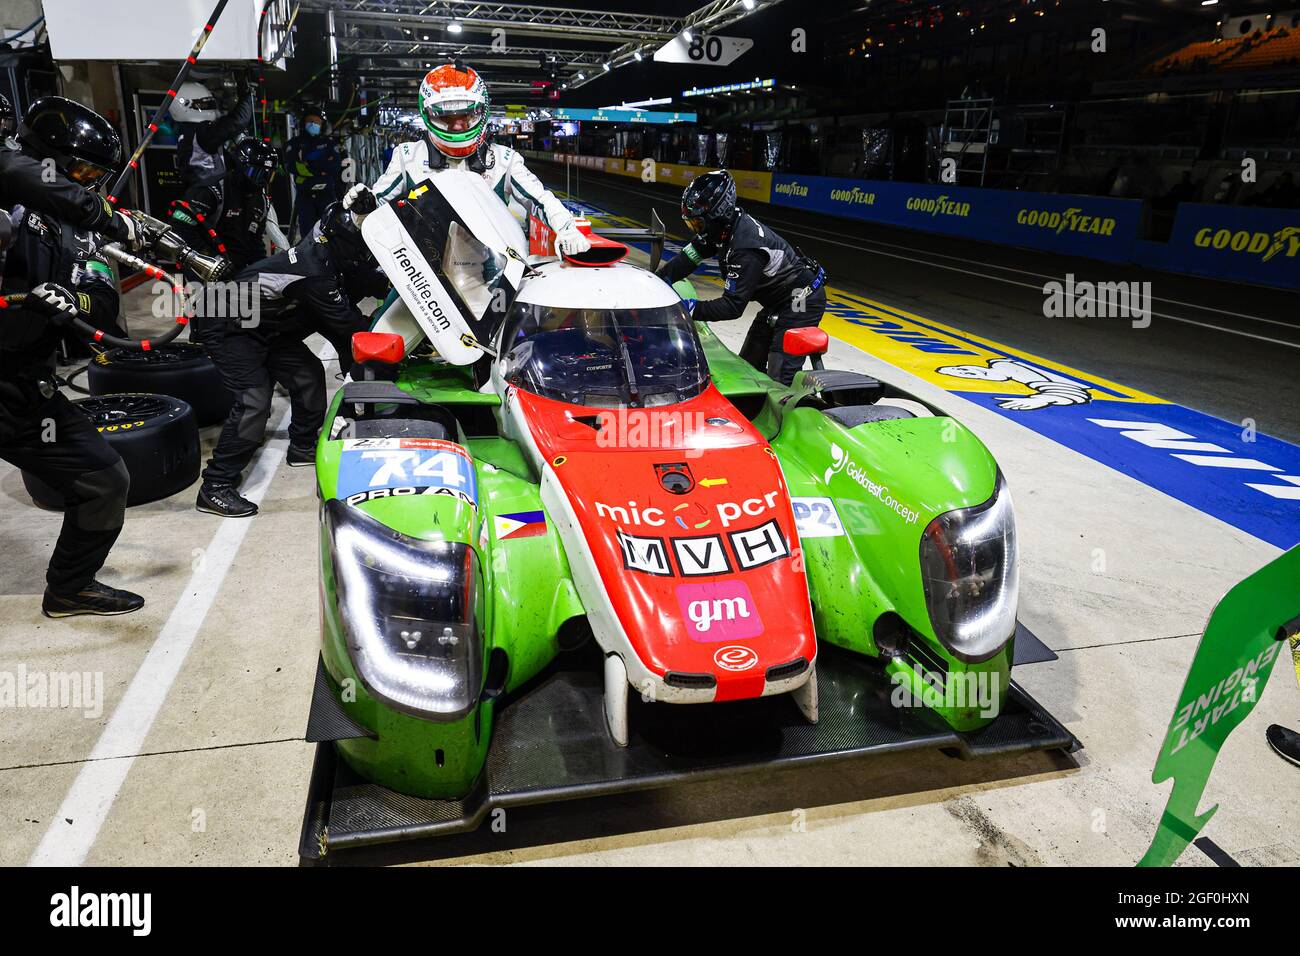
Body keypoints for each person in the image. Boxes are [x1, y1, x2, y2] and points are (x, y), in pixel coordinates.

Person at [0, 97, 143, 617]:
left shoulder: (74, 228)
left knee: (103, 479)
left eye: (94, 175)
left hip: (20, 392)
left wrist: (73, 301)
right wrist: (102, 212)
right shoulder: (11, 184)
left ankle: (69, 588)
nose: (87, 182)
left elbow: (102, 305)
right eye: (79, 170)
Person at [196, 201, 386, 518]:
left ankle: (302, 445)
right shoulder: (315, 274)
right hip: (226, 322)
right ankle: (215, 486)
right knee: (254, 400)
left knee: (308, 375)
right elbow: (350, 331)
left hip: (266, 325)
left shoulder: (330, 256)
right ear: (347, 242)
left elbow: (372, 281)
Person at [363, 63, 590, 259]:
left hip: (493, 268)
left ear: (481, 110)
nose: (458, 126)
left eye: (466, 115)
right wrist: (361, 207)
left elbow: (540, 199)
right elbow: (376, 208)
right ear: (428, 114)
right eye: (446, 117)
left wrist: (566, 227)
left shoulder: (504, 159)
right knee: (388, 310)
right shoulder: (407, 156)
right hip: (423, 270)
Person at [656, 169, 827, 385]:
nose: (696, 230)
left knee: (781, 375)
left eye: (698, 224)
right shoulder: (719, 228)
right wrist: (656, 282)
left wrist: (684, 308)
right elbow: (685, 261)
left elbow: (732, 307)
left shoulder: (745, 248)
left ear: (717, 214)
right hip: (779, 299)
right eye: (692, 224)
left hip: (801, 298)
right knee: (747, 366)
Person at [170, 80, 253, 187]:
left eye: (209, 103)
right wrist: (248, 96)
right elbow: (237, 121)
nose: (209, 107)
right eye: (202, 104)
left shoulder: (190, 132)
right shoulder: (201, 133)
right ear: (185, 105)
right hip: (207, 194)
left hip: (204, 192)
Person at [284, 108, 341, 238]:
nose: (313, 124)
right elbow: (292, 166)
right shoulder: (295, 144)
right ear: (303, 123)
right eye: (310, 121)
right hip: (305, 195)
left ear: (322, 125)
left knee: (330, 230)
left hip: (327, 195)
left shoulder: (329, 144)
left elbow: (335, 167)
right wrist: (321, 169)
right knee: (308, 234)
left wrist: (310, 164)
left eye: (316, 122)